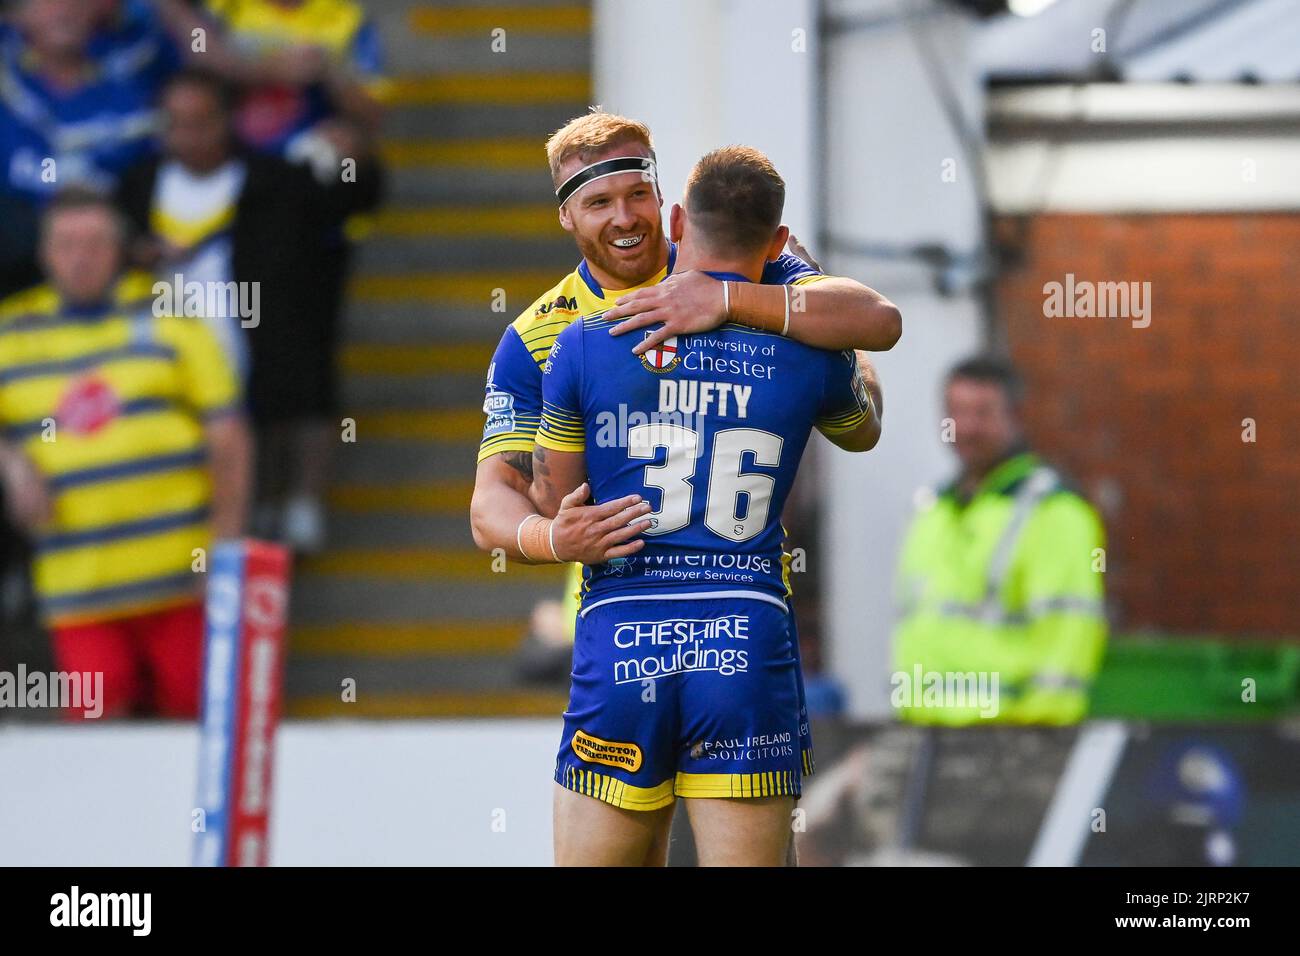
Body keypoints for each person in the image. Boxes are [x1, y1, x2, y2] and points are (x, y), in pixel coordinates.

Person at [470, 110, 900, 781]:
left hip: (739, 618)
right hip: (620, 628)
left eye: (637, 194)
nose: (623, 218)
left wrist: (728, 298)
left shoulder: (738, 261)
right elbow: (490, 503)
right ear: (566, 217)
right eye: (598, 202)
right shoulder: (537, 336)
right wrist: (549, 541)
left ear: (664, 202)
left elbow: (874, 322)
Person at [0, 188, 252, 719]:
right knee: (98, 730)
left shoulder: (168, 315)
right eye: (66, 243)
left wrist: (225, 547)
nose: (81, 255)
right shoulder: (12, 330)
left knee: (193, 721)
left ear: (118, 249)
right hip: (78, 586)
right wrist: (11, 462)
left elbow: (227, 435)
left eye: (94, 242)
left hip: (182, 578)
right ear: (45, 253)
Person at [892, 356, 1107, 725]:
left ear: (1016, 417)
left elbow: (1068, 635)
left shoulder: (1053, 512)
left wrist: (1039, 735)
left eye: (983, 412)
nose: (967, 427)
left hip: (1011, 738)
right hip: (923, 735)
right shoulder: (933, 509)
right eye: (956, 412)